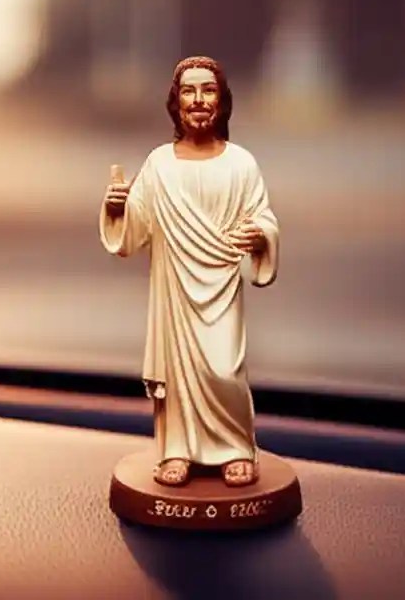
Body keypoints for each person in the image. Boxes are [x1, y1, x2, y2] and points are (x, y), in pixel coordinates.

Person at [100, 56, 279, 488]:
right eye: (189, 91)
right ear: (176, 103)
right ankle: (176, 448)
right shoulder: (160, 164)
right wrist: (116, 208)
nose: (199, 100)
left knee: (224, 369)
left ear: (222, 100)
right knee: (178, 374)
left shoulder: (241, 164)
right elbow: (135, 232)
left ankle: (236, 446)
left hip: (220, 285)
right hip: (175, 289)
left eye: (208, 90)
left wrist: (259, 236)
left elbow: (263, 216)